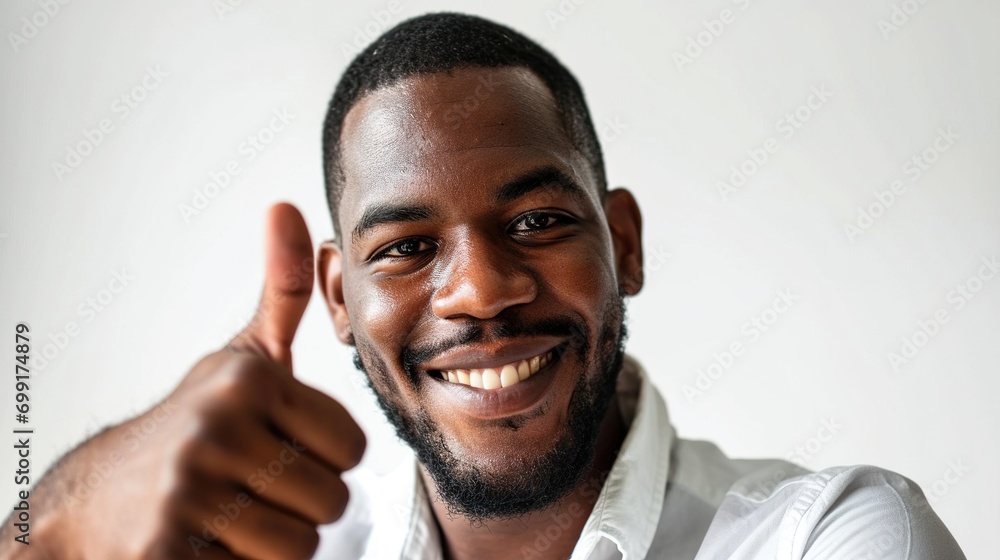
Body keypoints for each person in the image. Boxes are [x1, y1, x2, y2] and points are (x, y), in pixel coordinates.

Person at [1, 12, 966, 560]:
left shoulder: (832, 539)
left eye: (539, 222)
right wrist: (59, 523)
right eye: (406, 247)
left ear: (623, 243)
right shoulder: (276, 554)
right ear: (337, 298)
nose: (481, 292)